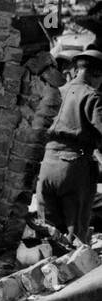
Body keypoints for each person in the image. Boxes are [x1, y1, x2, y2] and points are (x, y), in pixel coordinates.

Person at [36, 49, 102, 242]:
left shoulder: (57, 92)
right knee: (75, 235)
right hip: (73, 166)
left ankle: (46, 269)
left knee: (48, 232)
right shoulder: (92, 96)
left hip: (45, 164)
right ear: (96, 75)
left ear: (76, 70)